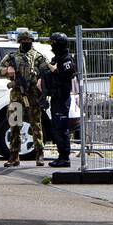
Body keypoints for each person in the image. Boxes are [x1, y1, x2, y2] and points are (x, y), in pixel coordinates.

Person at [0, 28, 45, 167]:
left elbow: (47, 70)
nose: (26, 43)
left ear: (32, 41)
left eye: (28, 41)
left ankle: (39, 154)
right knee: (14, 125)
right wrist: (7, 71)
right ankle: (14, 155)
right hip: (17, 95)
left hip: (33, 94)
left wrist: (39, 79)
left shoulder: (38, 57)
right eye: (24, 41)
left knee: (36, 124)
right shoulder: (11, 57)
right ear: (19, 42)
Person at [44, 32, 77, 168]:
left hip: (62, 98)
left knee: (62, 128)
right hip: (56, 97)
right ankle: (61, 156)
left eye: (54, 43)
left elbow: (66, 76)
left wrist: (54, 71)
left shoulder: (66, 60)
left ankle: (65, 157)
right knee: (57, 127)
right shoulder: (57, 58)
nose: (52, 46)